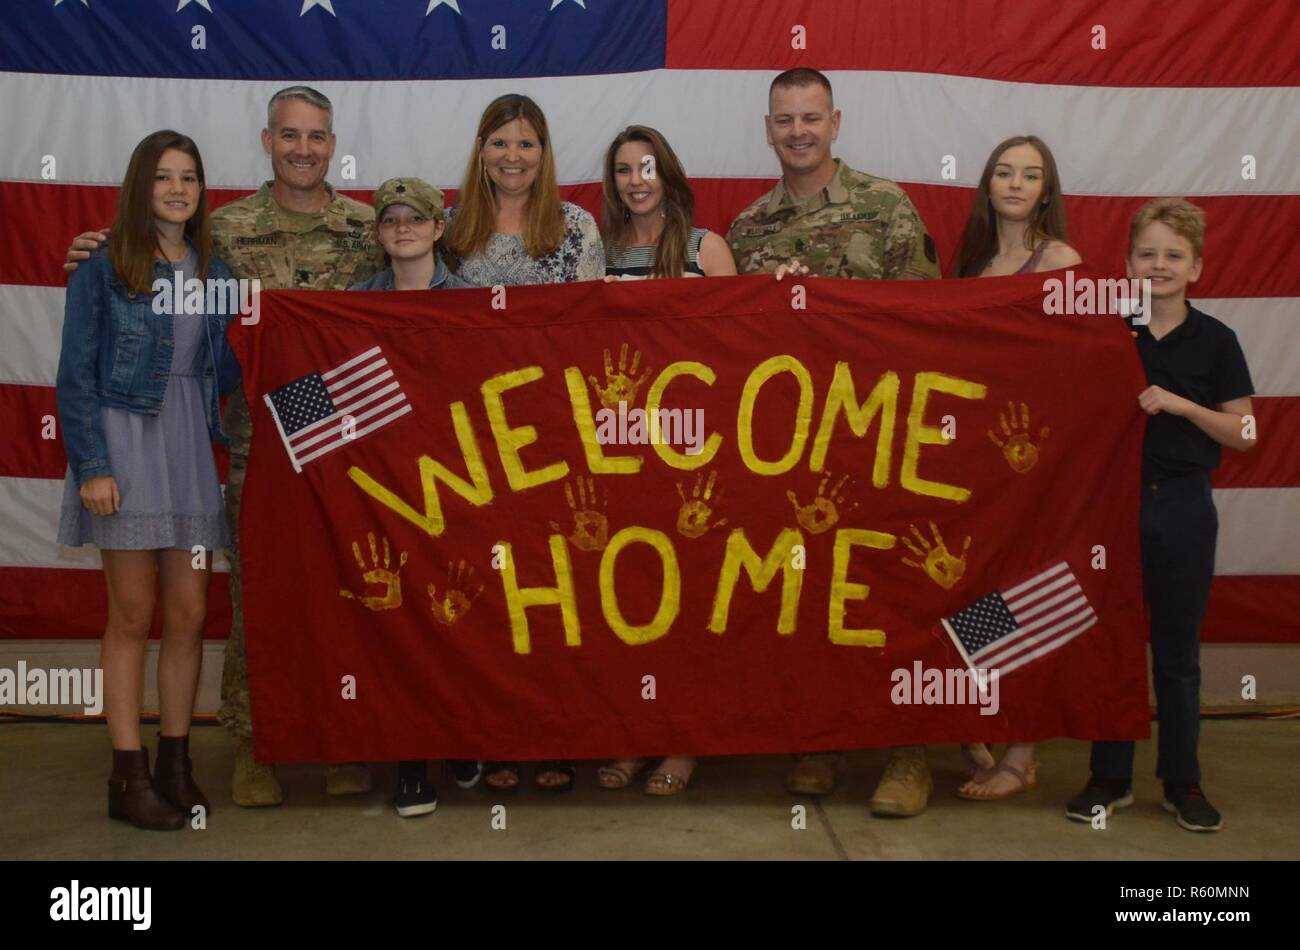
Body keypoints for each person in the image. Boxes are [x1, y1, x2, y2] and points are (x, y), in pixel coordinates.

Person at [66, 86, 385, 807]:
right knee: (256, 599)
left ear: (333, 144)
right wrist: (94, 249)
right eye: (289, 134)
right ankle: (256, 746)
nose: (304, 148)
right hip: (252, 448)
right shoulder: (227, 235)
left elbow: (413, 286)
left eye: (317, 136)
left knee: (342, 595)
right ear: (267, 140)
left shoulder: (369, 228)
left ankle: (338, 738)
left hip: (346, 447)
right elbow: (121, 332)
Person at [725, 67, 942, 816]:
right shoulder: (749, 230)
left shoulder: (885, 207)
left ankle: (910, 751)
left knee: (893, 589)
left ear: (836, 122)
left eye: (811, 118)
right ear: (767, 128)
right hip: (794, 449)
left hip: (877, 433)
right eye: (784, 119)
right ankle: (818, 737)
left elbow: (925, 325)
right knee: (810, 591)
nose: (798, 132)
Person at [56, 130, 241, 830]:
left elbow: (227, 361)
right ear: (142, 185)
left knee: (190, 614)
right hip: (126, 446)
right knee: (132, 615)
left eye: (189, 177)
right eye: (163, 177)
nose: (176, 189)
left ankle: (175, 761)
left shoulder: (214, 269)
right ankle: (126, 773)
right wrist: (93, 465)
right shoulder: (104, 264)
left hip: (189, 449)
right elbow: (74, 371)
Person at [1067, 199, 1256, 833]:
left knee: (1176, 651)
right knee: (1113, 644)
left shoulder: (1217, 340)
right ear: (1127, 264)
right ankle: (1108, 776)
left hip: (1182, 506)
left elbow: (1247, 431)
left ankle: (1182, 780)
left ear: (1197, 266)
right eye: (1147, 254)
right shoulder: (1108, 330)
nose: (1159, 265)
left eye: (1173, 255)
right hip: (1112, 509)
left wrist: (1183, 406)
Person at [442, 93, 604, 795]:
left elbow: (596, 332)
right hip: (473, 441)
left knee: (556, 586)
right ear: (481, 150)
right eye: (501, 143)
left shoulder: (575, 229)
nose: (514, 156)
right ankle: (494, 734)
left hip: (554, 434)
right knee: (490, 591)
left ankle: (558, 733)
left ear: (545, 153)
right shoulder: (449, 231)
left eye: (527, 143)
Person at [593, 125, 736, 795]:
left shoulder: (707, 248)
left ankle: (682, 740)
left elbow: (742, 352)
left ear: (667, 173)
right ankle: (628, 731)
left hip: (692, 451)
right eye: (623, 169)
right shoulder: (596, 252)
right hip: (619, 451)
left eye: (647, 166)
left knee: (689, 598)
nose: (636, 179)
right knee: (628, 594)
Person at [951, 135, 1081, 800]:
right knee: (977, 593)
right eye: (1003, 171)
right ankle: (979, 726)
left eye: (1030, 175)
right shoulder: (974, 262)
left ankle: (1022, 750)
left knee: (1029, 596)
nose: (1014, 183)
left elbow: (1078, 362)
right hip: (976, 455)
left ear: (1046, 190)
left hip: (1032, 456)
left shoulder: (1058, 259)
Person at [348, 177, 472, 816]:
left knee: (461, 612)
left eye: (415, 217)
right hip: (388, 486)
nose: (403, 227)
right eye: (390, 218)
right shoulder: (351, 305)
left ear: (438, 227)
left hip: (461, 482)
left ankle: (465, 736)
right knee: (402, 622)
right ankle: (411, 759)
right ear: (377, 232)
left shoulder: (472, 301)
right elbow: (312, 377)